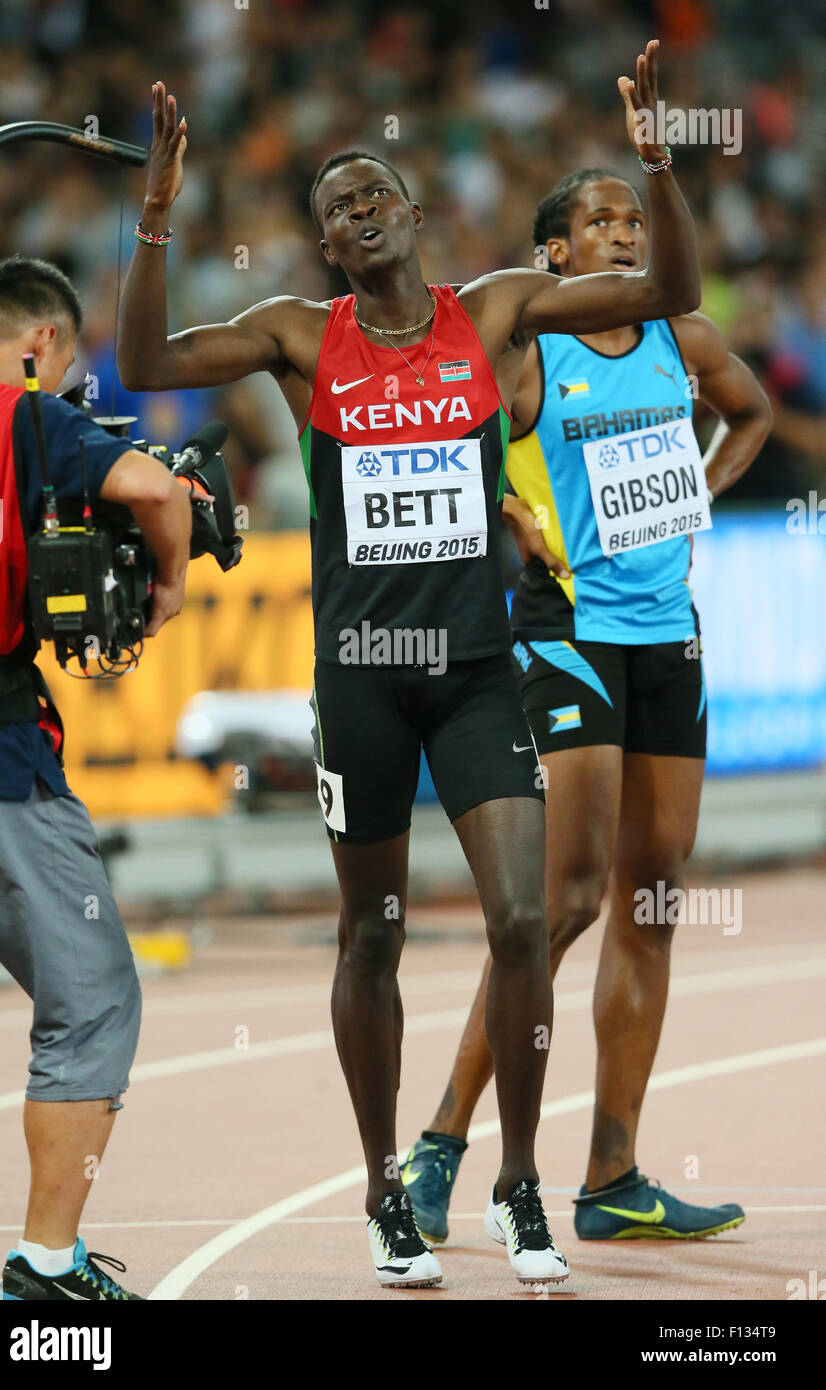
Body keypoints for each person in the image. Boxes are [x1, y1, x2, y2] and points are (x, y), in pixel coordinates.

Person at [117, 42, 701, 1289]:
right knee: (369, 934)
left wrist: (656, 166)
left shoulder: (487, 311)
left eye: (372, 189)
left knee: (525, 921)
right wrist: (156, 224)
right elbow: (149, 366)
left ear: (412, 211)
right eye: (334, 206)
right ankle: (385, 1187)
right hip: (363, 676)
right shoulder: (294, 332)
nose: (356, 208)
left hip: (477, 668)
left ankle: (518, 1187)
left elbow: (671, 289)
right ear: (327, 245)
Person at [402, 168, 772, 1246]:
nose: (620, 233)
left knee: (649, 897)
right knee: (559, 901)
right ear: (551, 255)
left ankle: (611, 1176)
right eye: (596, 221)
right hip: (566, 632)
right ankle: (439, 1141)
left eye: (632, 219)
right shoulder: (529, 350)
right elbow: (444, 436)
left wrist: (696, 485)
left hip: (667, 632)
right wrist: (500, 512)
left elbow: (744, 411)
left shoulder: (680, 335)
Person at [0, 254, 192, 1300]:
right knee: (92, 997)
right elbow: (151, 484)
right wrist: (173, 578)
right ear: (38, 346)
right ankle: (46, 1266)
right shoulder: (20, 414)